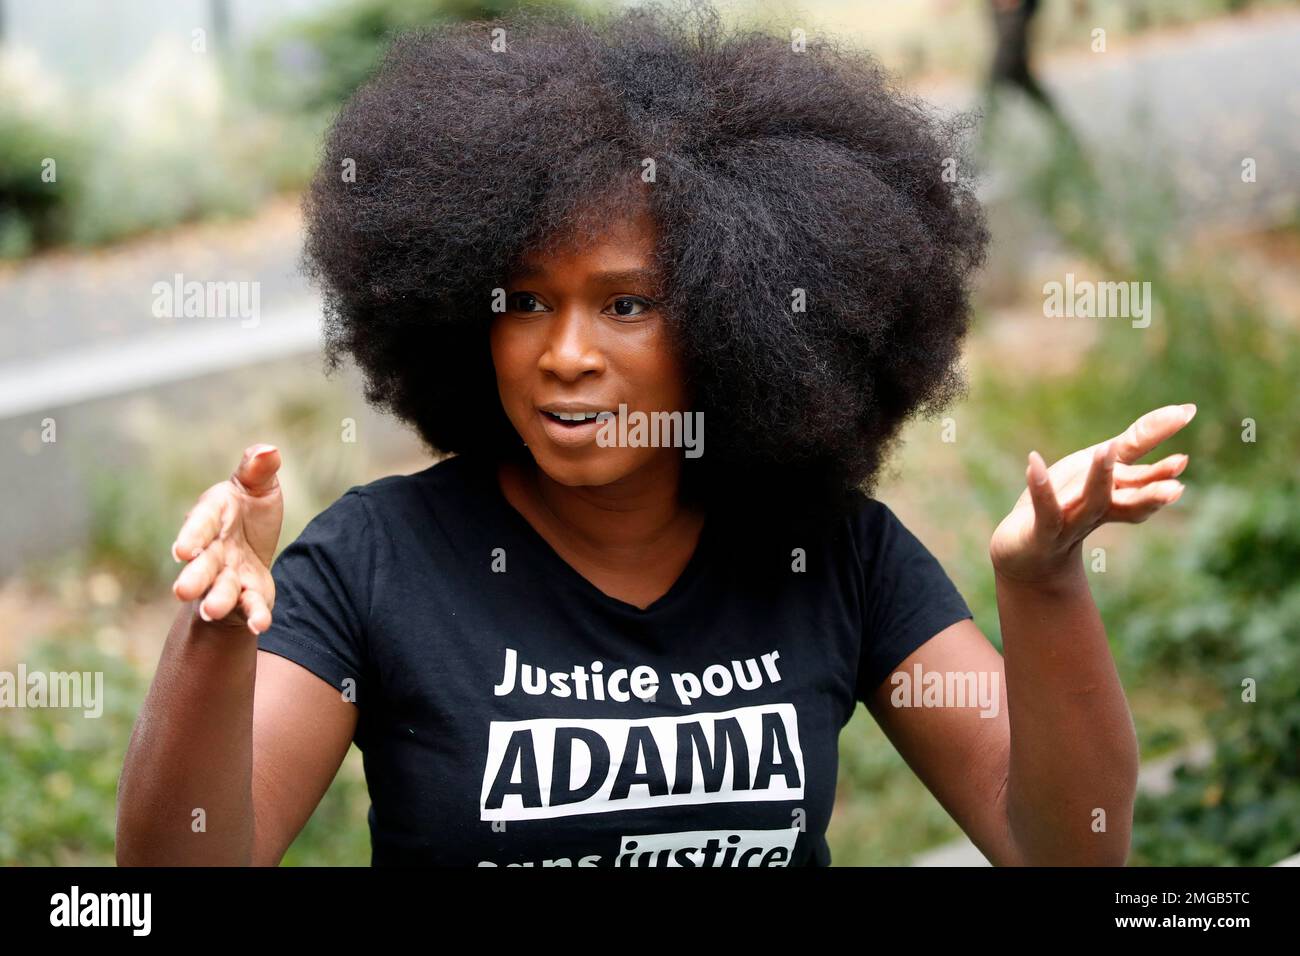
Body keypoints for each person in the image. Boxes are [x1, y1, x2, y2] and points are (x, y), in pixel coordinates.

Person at [115, 0, 1193, 867]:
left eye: (626, 304)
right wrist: (215, 630)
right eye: (525, 302)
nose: (564, 352)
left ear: (738, 319)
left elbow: (1064, 848)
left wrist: (1043, 582)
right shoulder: (375, 563)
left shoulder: (828, 554)